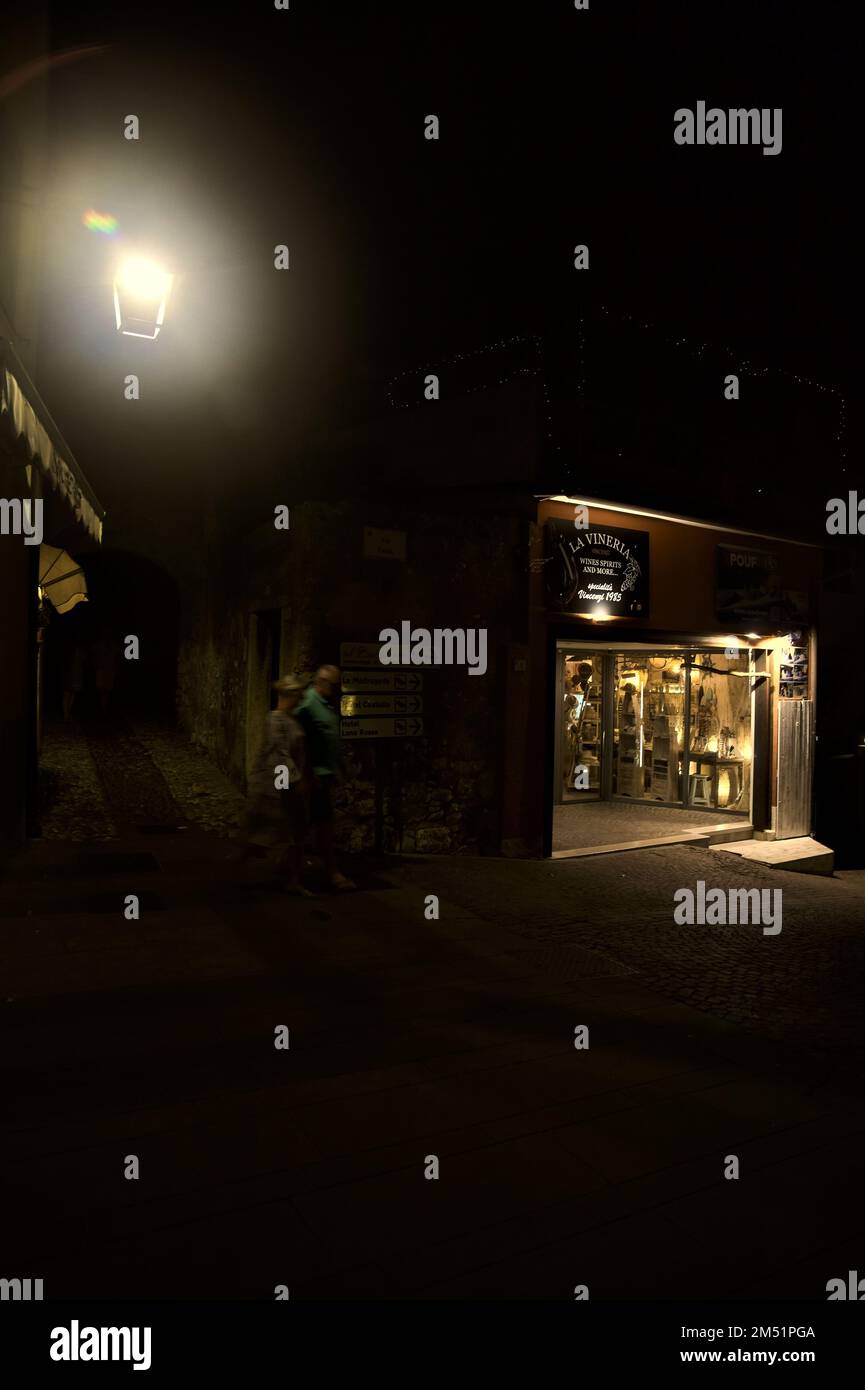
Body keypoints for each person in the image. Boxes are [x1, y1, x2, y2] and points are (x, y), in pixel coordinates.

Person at [239, 674, 312, 895]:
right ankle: (288, 877)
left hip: (288, 784)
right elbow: (279, 754)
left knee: (293, 832)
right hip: (283, 785)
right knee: (291, 831)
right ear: (288, 695)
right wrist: (293, 782)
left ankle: (287, 875)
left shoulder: (291, 719)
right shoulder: (275, 719)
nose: (300, 698)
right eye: (297, 694)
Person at [295, 664, 356, 891]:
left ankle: (291, 873)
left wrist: (339, 767)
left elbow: (329, 738)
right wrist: (306, 772)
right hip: (314, 778)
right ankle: (331, 874)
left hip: (323, 776)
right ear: (321, 682)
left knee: (311, 828)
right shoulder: (309, 703)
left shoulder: (326, 704)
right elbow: (300, 739)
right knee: (321, 828)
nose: (338, 689)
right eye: (334, 684)